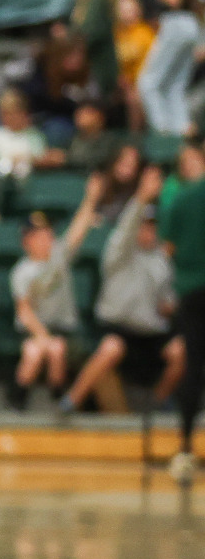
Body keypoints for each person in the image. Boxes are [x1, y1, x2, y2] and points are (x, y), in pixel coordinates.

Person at [62, 170, 180, 416]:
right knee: (110, 348)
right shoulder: (119, 253)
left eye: (152, 228)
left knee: (182, 350)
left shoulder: (162, 260)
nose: (148, 232)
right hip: (118, 328)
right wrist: (142, 198)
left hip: (151, 334)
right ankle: (71, 402)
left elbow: (167, 300)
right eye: (144, 227)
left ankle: (157, 403)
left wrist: (171, 306)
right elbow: (126, 228)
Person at [8, 199, 96, 410]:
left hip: (64, 331)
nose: (45, 239)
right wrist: (42, 337)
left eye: (48, 233)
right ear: (26, 240)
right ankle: (16, 404)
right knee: (33, 352)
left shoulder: (60, 258)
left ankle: (58, 401)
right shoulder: (21, 271)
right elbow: (24, 310)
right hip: (34, 331)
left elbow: (76, 232)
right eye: (38, 235)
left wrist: (90, 200)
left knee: (57, 349)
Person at [161, 144, 205, 481]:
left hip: (191, 291)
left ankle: (186, 447)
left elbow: (168, 247)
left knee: (193, 365)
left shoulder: (182, 199)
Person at [138, 0, 202, 137]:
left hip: (176, 23)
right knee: (175, 86)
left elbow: (173, 0)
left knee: (148, 82)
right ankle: (183, 130)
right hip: (191, 24)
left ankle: (162, 132)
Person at [113, 0, 157, 133]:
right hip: (123, 84)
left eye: (131, 9)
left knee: (134, 98)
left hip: (142, 83)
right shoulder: (117, 34)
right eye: (123, 10)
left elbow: (152, 64)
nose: (128, 13)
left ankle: (136, 138)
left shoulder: (145, 33)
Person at [0, 90, 50, 180]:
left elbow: (41, 159)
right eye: (5, 113)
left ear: (24, 113)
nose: (9, 117)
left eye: (13, 113)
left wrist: (25, 159)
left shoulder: (35, 136)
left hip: (28, 184)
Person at [63, 102, 121, 173]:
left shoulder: (109, 140)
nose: (80, 116)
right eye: (79, 113)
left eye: (86, 112)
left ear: (100, 116)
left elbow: (100, 160)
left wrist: (66, 159)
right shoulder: (72, 138)